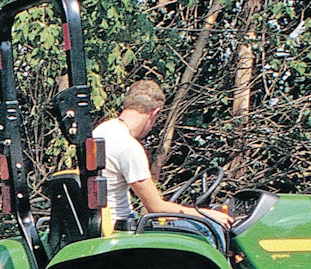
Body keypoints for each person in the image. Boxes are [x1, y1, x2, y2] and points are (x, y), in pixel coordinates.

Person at [92, 80, 235, 230]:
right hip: (119, 226)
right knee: (205, 231)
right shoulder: (128, 146)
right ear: (155, 112)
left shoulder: (102, 130)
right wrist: (208, 215)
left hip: (101, 225)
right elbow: (156, 208)